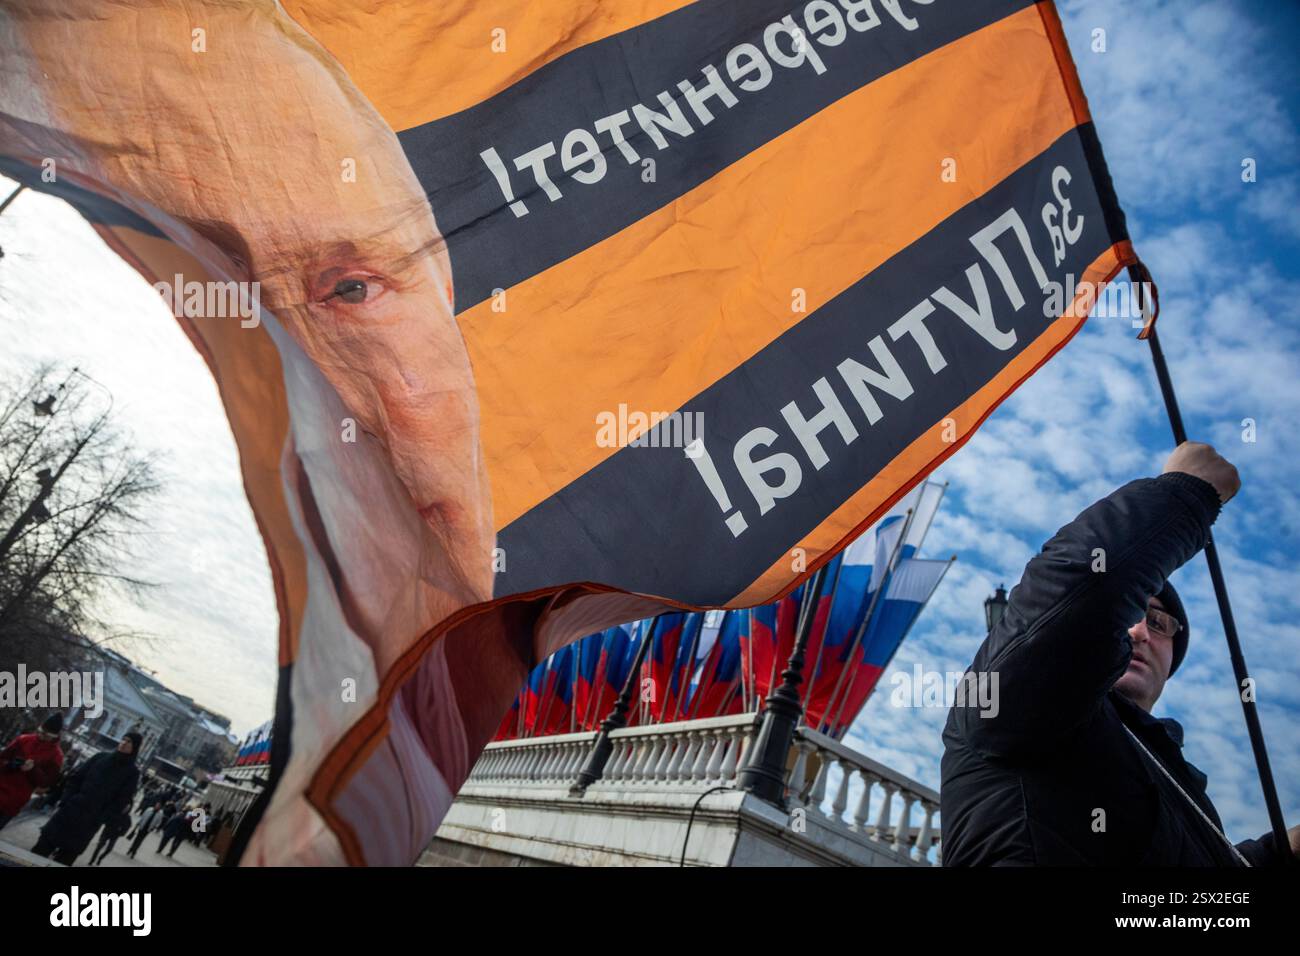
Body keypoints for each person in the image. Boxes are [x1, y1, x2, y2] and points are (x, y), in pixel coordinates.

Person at [941, 442, 1300, 866]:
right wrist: (1187, 493)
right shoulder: (1016, 700)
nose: (1140, 632)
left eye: (1158, 622)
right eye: (1132, 613)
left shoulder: (1176, 780)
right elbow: (1079, 596)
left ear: (1173, 659)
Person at [31, 733, 142, 865]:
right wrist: (67, 800)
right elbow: (75, 779)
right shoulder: (100, 757)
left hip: (90, 821)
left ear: (134, 747)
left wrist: (101, 817)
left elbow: (121, 801)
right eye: (123, 739)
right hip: (70, 811)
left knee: (64, 859)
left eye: (128, 741)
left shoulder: (132, 773)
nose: (123, 743)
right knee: (41, 848)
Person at [0, 714, 64, 830]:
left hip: (14, 801)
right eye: (40, 731)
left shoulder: (56, 756)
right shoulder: (23, 740)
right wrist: (11, 765)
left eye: (45, 735)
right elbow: (2, 758)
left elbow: (47, 782)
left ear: (54, 736)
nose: (40, 735)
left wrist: (33, 770)